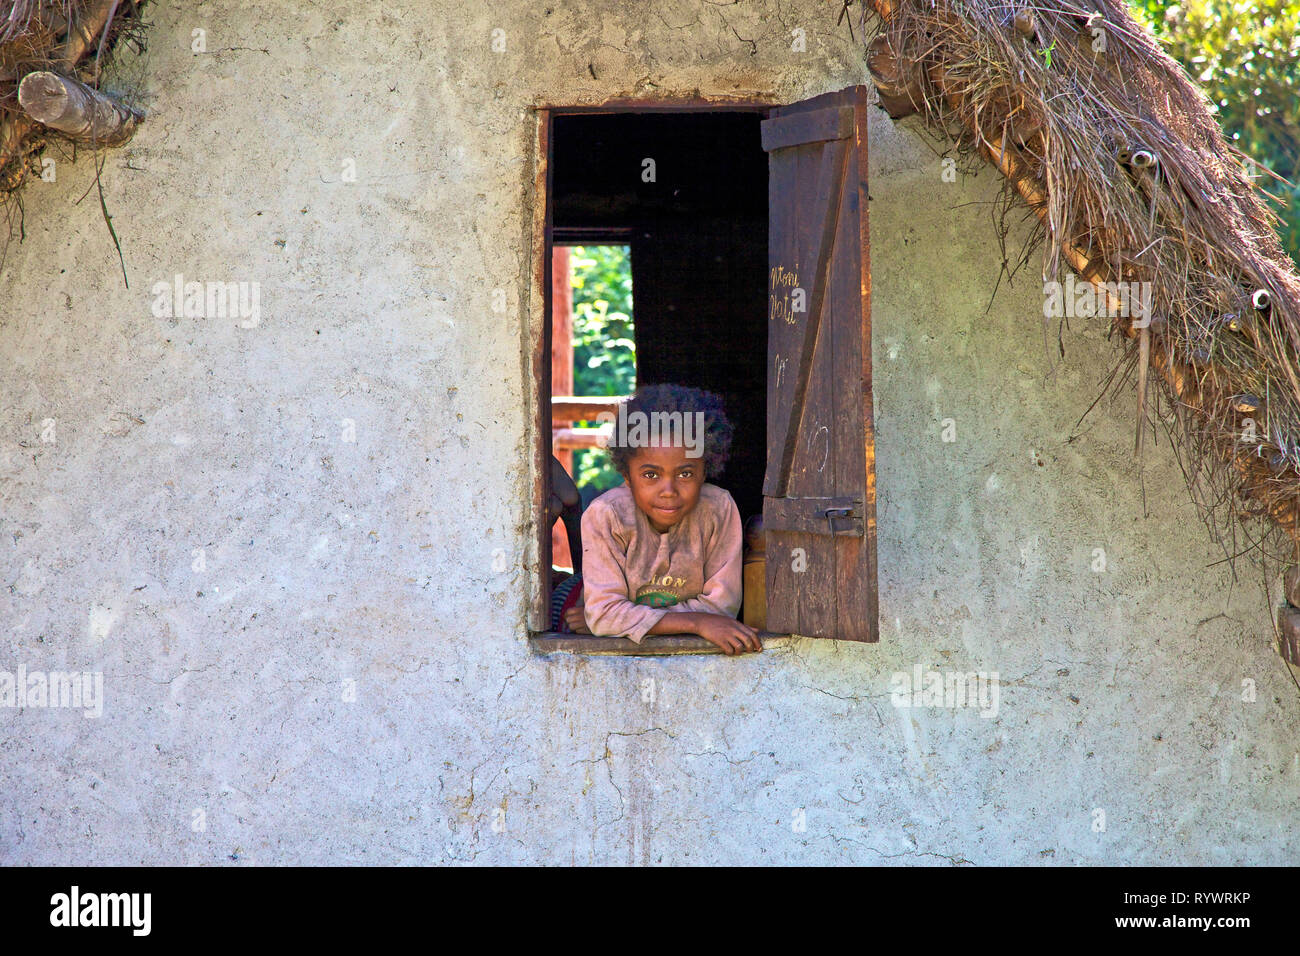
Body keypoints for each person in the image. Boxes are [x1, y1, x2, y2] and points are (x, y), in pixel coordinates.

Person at [564, 384, 761, 655]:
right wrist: (698, 622)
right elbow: (603, 615)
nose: (668, 491)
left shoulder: (718, 509)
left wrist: (625, 623)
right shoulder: (606, 514)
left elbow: (721, 607)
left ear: (705, 471)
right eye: (650, 475)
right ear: (626, 475)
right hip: (575, 598)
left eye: (685, 474)